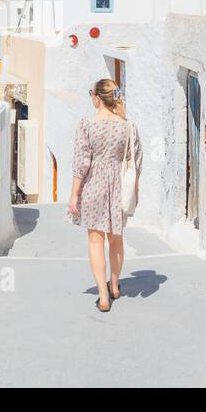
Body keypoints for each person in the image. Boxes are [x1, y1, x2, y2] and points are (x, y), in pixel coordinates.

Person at [67, 78, 142, 312]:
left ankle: (102, 295)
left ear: (97, 97)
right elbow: (136, 160)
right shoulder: (128, 126)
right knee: (116, 238)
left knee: (95, 240)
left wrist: (73, 196)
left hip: (93, 186)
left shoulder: (86, 124)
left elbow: (82, 162)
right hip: (118, 185)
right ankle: (116, 284)